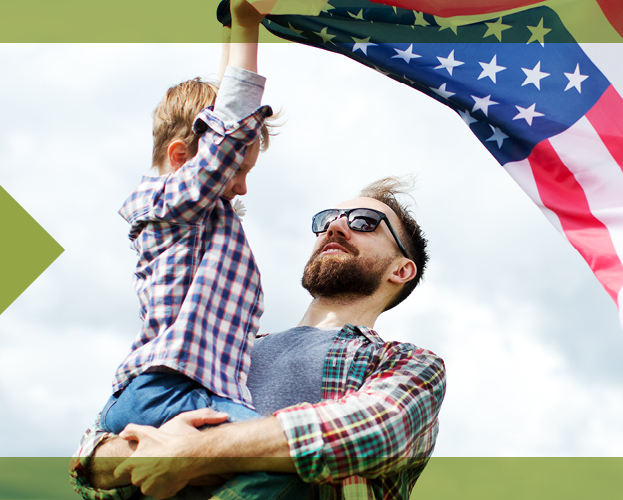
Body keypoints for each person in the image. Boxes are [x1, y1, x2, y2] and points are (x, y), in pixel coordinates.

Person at [74, 177, 447, 500]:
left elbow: (376, 429)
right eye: (327, 220)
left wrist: (199, 451)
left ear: (401, 269)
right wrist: (146, 451)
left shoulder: (408, 363)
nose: (335, 227)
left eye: (365, 222)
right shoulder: (228, 343)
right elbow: (89, 455)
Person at [90, 2, 296, 499]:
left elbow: (223, 122)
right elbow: (229, 124)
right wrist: (248, 22)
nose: (241, 187)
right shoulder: (171, 202)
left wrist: (228, 28)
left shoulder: (194, 212)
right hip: (174, 389)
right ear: (183, 158)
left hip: (158, 391)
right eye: (236, 171)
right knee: (286, 461)